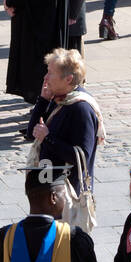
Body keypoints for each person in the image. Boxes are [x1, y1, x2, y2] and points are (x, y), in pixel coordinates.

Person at [27, 48, 104, 198]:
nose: (45, 77)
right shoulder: (59, 98)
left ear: (68, 79)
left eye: (50, 73)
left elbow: (82, 157)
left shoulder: (81, 109)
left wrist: (48, 138)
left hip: (68, 194)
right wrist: (42, 102)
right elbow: (32, 134)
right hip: (48, 184)